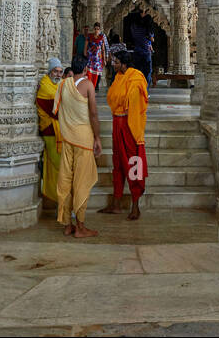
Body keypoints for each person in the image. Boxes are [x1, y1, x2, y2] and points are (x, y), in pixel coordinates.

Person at [53, 57, 104, 238]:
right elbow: (93, 114)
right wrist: (97, 138)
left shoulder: (62, 85)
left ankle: (67, 224)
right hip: (83, 139)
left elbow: (56, 111)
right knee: (82, 181)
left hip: (67, 138)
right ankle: (80, 227)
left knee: (65, 180)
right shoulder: (88, 85)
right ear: (86, 68)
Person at [100, 47, 149, 220]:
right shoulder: (118, 77)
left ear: (124, 64)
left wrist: (135, 131)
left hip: (130, 127)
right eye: (113, 61)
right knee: (118, 163)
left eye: (116, 62)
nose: (113, 64)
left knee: (133, 163)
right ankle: (116, 203)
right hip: (117, 123)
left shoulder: (136, 78)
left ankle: (136, 206)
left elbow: (134, 105)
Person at [36, 59, 65, 204]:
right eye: (55, 71)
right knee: (59, 166)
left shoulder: (59, 85)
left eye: (60, 72)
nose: (58, 75)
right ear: (49, 72)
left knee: (58, 167)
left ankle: (61, 200)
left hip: (60, 130)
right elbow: (56, 111)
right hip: (50, 131)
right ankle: (63, 200)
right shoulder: (45, 87)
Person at [131, 10, 155, 86]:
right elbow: (152, 39)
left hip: (137, 50)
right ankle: (145, 88)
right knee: (147, 72)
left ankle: (138, 86)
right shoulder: (147, 29)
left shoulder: (134, 27)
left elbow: (134, 36)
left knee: (138, 70)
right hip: (146, 52)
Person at [84, 23, 109, 88]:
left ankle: (93, 88)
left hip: (98, 59)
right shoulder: (89, 36)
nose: (96, 30)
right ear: (93, 29)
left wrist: (104, 59)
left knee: (95, 76)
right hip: (90, 58)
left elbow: (103, 49)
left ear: (100, 30)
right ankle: (88, 88)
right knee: (88, 74)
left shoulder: (101, 37)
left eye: (97, 29)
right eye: (95, 29)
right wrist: (85, 55)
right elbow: (85, 47)